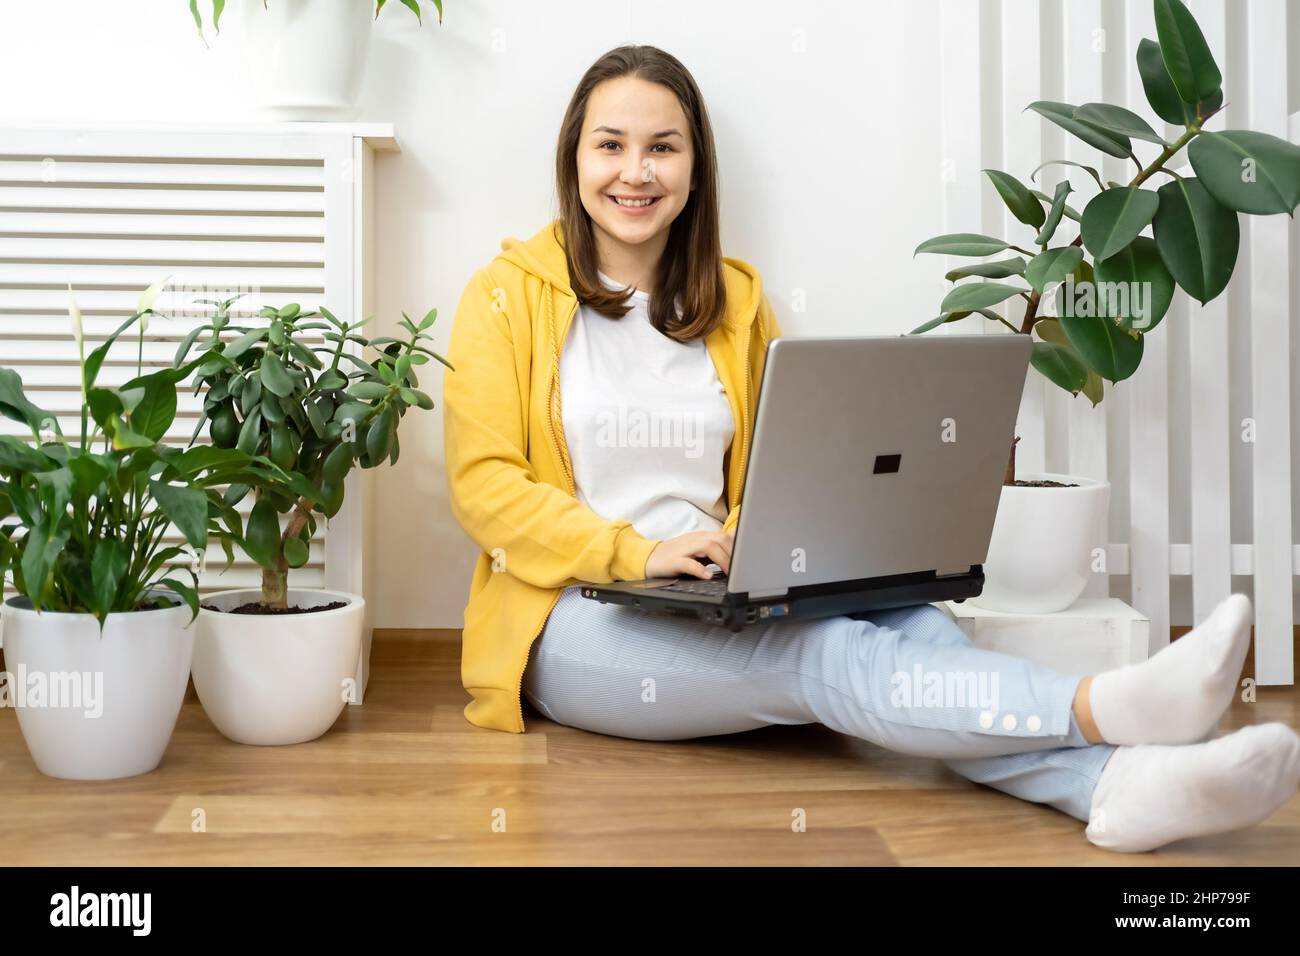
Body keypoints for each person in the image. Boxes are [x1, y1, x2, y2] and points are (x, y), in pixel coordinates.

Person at [442, 44, 1300, 853]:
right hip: (572, 616)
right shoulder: (505, 297)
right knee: (825, 656)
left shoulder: (736, 300)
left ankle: (1113, 791)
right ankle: (1106, 710)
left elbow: (776, 467)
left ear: (695, 168)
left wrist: (754, 540)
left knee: (919, 623)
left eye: (663, 147)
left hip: (714, 585)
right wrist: (638, 550)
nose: (637, 172)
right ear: (573, 160)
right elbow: (485, 490)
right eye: (611, 146)